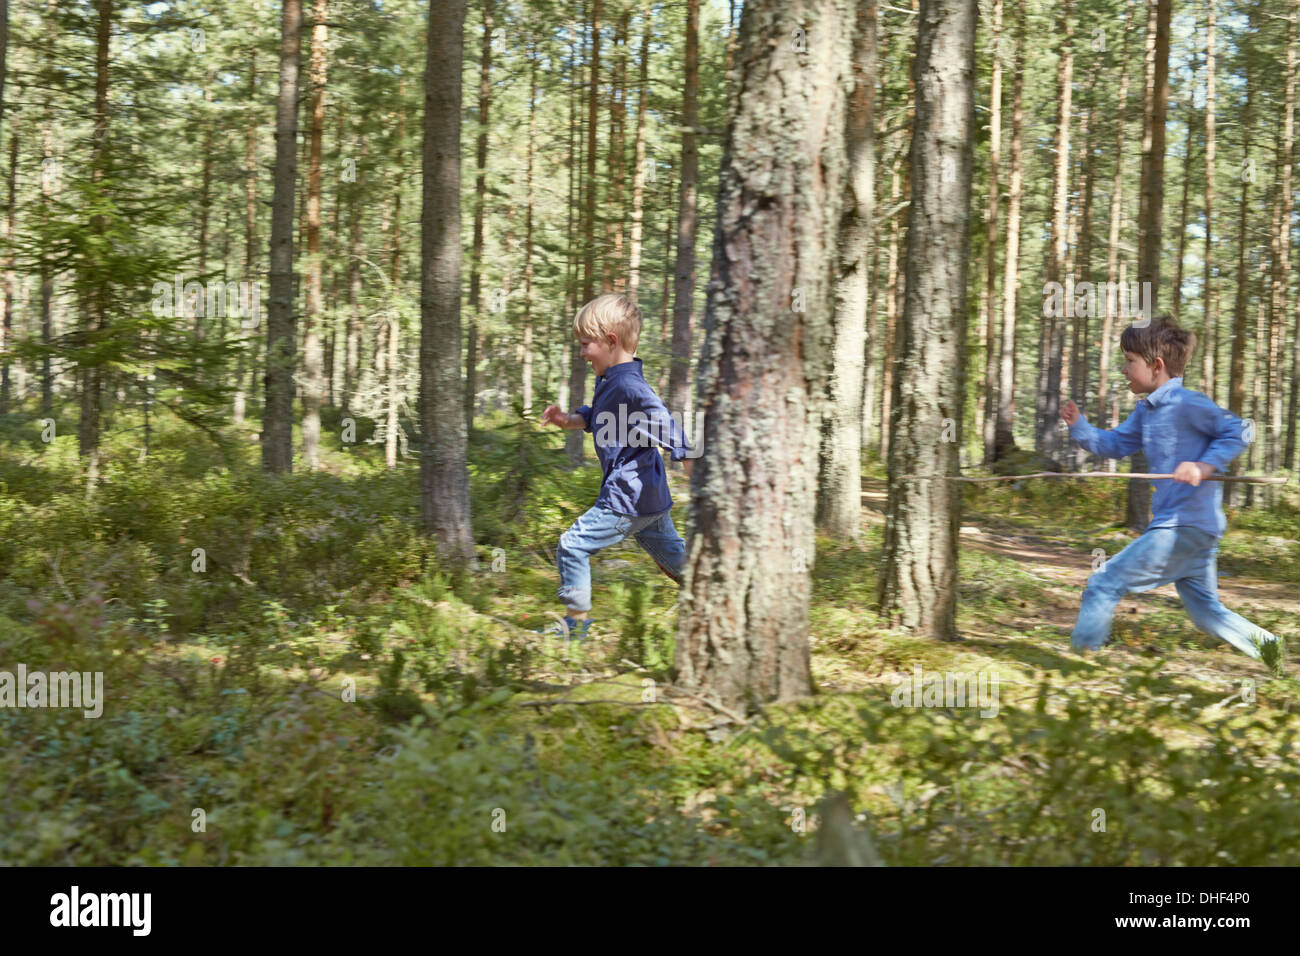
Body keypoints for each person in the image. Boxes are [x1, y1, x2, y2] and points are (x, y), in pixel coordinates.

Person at [1059, 314, 1283, 672]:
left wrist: (1202, 467)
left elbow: (1240, 431)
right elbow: (1115, 444)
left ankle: (1079, 669)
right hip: (1191, 529)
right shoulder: (1147, 411)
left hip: (1184, 527)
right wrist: (1080, 427)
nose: (1124, 369)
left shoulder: (1187, 404)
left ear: (1157, 365)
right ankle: (1271, 648)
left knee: (1104, 581)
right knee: (1207, 614)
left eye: (1130, 361)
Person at [539, 293, 693, 640]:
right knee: (677, 561)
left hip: (627, 497)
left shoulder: (629, 385)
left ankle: (573, 628)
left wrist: (690, 460)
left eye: (585, 344)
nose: (581, 353)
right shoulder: (611, 379)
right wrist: (568, 420)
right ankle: (722, 597)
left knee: (572, 545)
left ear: (611, 341)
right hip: (649, 496)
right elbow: (600, 417)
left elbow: (666, 423)